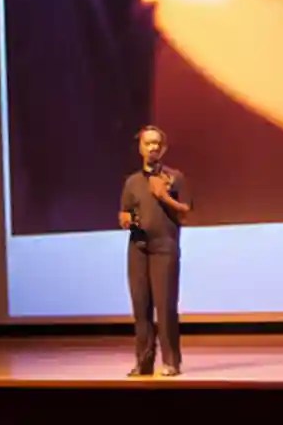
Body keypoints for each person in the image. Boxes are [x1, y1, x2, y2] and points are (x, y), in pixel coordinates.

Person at [119, 125, 192, 377]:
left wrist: (165, 197)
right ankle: (144, 362)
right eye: (148, 143)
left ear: (164, 148)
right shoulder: (132, 182)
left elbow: (186, 212)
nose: (153, 148)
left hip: (165, 248)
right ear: (141, 148)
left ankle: (171, 362)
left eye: (157, 144)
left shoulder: (176, 178)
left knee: (165, 307)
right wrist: (126, 219)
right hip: (138, 248)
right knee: (141, 307)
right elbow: (125, 212)